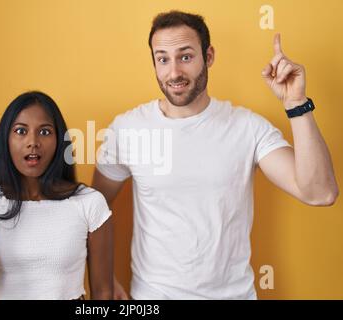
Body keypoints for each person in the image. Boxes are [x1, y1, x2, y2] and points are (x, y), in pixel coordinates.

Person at [92, 11, 339, 299]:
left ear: (208, 56)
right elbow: (92, 211)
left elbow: (320, 193)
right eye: (163, 59)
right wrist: (103, 280)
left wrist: (296, 104)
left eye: (185, 56)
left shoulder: (248, 128)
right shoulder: (127, 129)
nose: (174, 73)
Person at [0, 91, 113, 300]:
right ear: (6, 140)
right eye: (20, 131)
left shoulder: (90, 202)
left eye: (45, 132)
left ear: (59, 140)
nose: (33, 142)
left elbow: (103, 293)